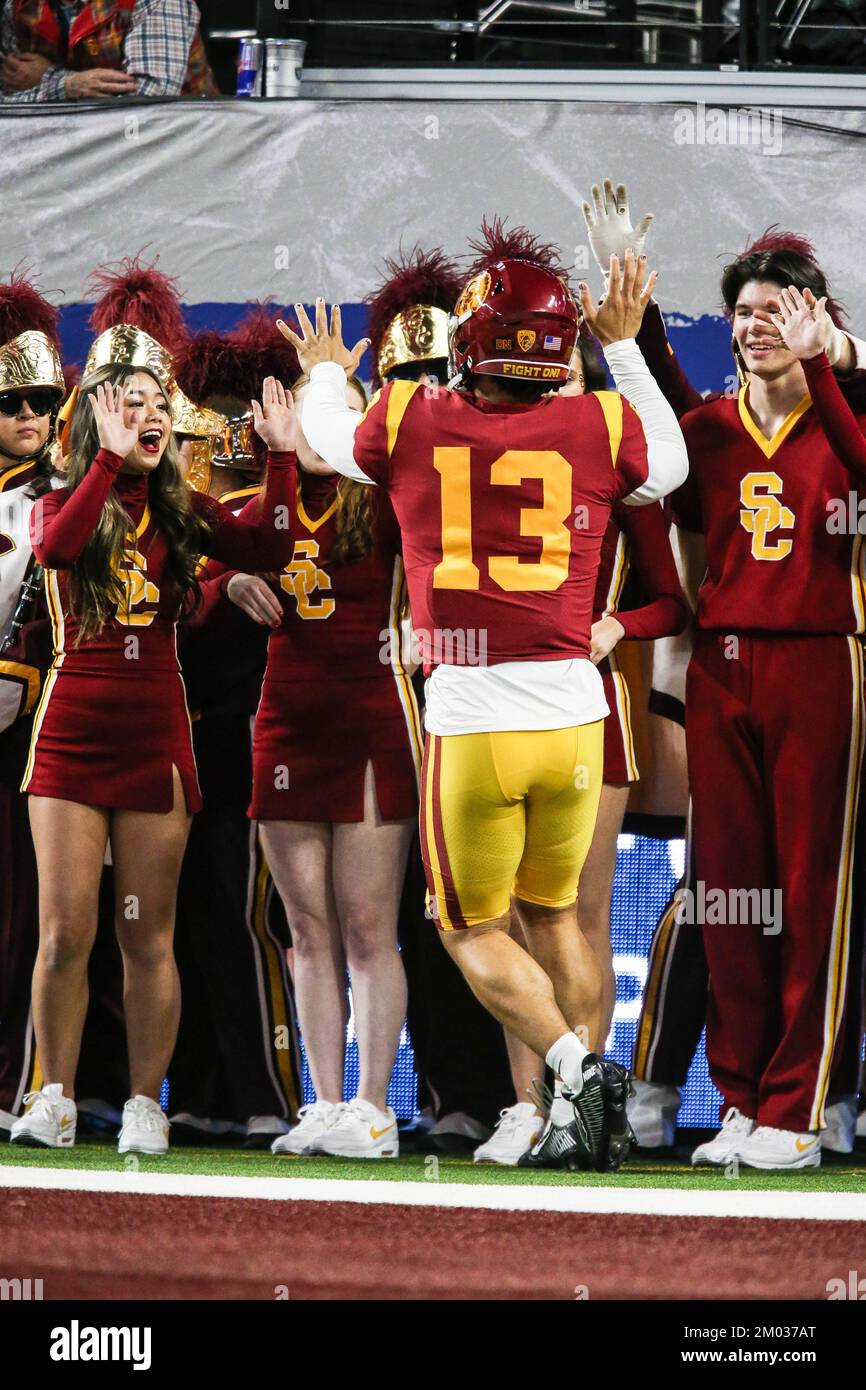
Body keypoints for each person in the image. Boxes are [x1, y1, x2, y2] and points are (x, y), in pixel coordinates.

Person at [287, 245, 689, 1173]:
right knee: (555, 919)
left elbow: (329, 432)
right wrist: (623, 348)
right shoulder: (597, 423)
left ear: (473, 343)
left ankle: (578, 1081)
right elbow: (666, 467)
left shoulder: (412, 416)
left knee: (468, 926)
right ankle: (584, 1113)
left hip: (473, 721)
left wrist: (321, 370)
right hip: (575, 720)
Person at [584, 180, 866, 1160]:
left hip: (822, 664)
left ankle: (798, 1109)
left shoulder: (843, 416)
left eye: (776, 310)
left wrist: (829, 369)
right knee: (726, 892)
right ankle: (741, 1100)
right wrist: (638, 302)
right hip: (720, 668)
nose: (753, 326)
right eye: (742, 311)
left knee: (810, 895)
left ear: (816, 319)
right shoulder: (705, 428)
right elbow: (655, 391)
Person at [9, 333, 295, 1156]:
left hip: (156, 734)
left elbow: (270, 549)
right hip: (69, 732)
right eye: (128, 402)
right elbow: (60, 549)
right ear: (95, 415)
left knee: (148, 934)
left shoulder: (182, 509)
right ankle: (55, 1094)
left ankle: (144, 1101)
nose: (149, 416)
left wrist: (278, 461)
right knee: (65, 934)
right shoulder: (59, 498)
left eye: (158, 403)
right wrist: (102, 462)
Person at [475, 337, 690, 1165]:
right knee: (501, 917)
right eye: (534, 376)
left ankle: (579, 1110)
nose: (549, 389)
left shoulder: (616, 462)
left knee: (575, 916)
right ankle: (528, 1108)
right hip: (495, 707)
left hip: (589, 710)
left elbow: (672, 601)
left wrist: (616, 625)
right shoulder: (478, 456)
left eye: (565, 374)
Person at [202, 366, 422, 1159]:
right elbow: (232, 543)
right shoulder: (278, 487)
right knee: (306, 930)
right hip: (286, 723)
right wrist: (228, 582)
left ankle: (374, 1107)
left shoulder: (394, 501)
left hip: (371, 721)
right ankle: (325, 1104)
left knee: (369, 926)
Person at [366, 243, 515, 1154]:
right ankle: (450, 1091)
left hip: (488, 710)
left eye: (436, 369)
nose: (423, 388)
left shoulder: (493, 445)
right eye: (405, 374)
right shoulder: (364, 461)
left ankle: (526, 1095)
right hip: (385, 725)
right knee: (423, 917)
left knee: (495, 909)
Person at [171, 308, 305, 1151]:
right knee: (189, 916)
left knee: (248, 912)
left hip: (260, 721)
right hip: (176, 725)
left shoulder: (284, 496)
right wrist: (218, 587)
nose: (216, 439)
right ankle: (202, 1086)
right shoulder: (170, 503)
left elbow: (284, 550)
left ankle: (269, 1091)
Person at [0, 275, 66, 1134]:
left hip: (26, 736)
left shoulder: (62, 497)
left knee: (21, 920)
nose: (28, 415)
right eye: (10, 401)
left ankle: (14, 1085)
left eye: (41, 401)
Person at [0, 0, 217, 102]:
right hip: (66, 151)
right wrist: (65, 86)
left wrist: (53, 80)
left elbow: (146, 101)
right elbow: (6, 103)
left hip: (178, 147)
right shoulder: (20, 7)